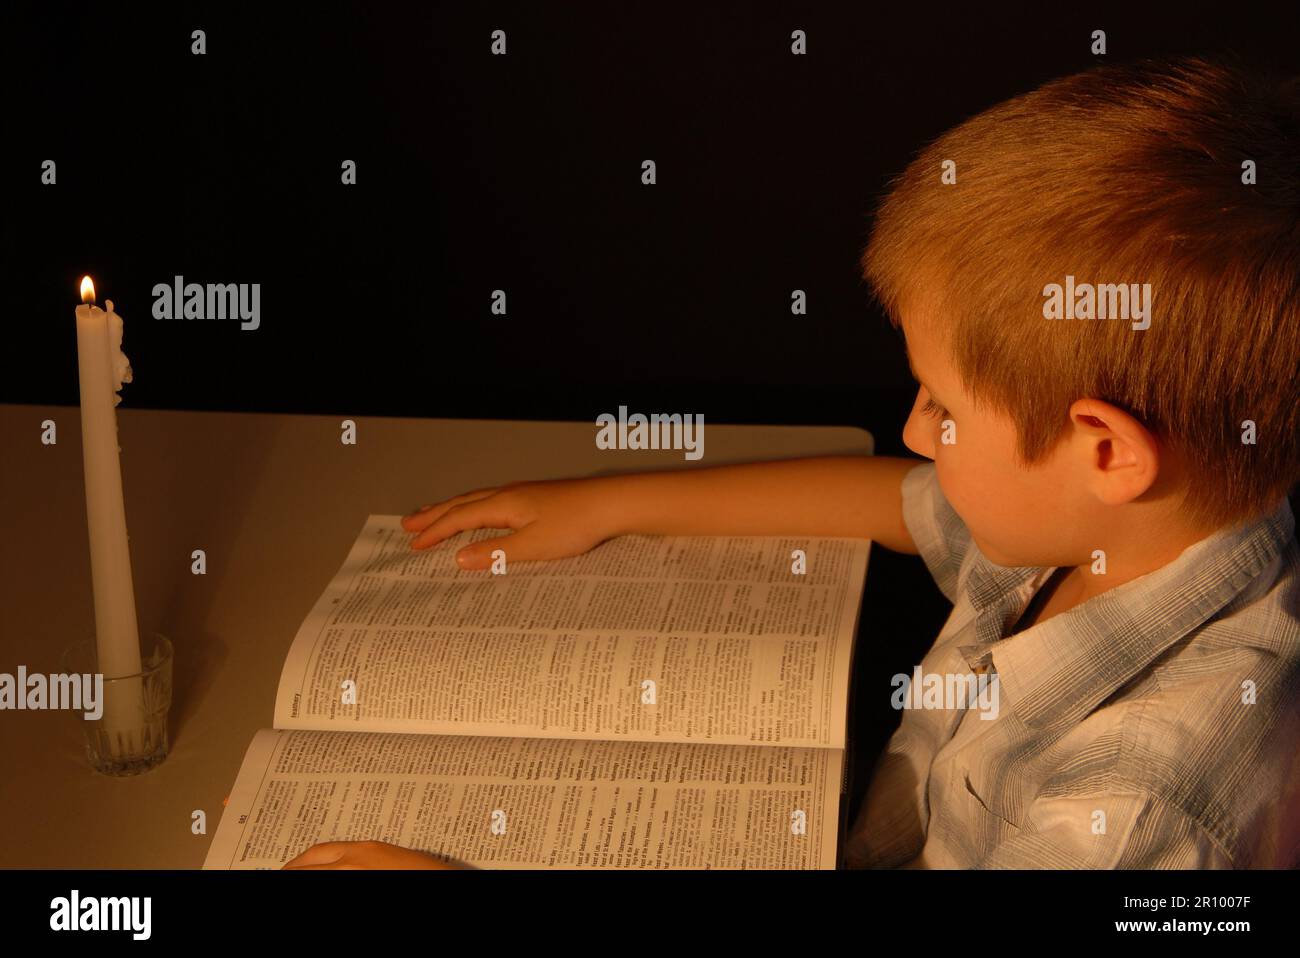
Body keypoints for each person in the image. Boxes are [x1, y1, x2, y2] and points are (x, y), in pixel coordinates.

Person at [287, 55, 1300, 870]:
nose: (911, 429)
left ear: (1106, 450)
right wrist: (610, 503)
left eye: (942, 407)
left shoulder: (1135, 817)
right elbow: (897, 504)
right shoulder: (1119, 524)